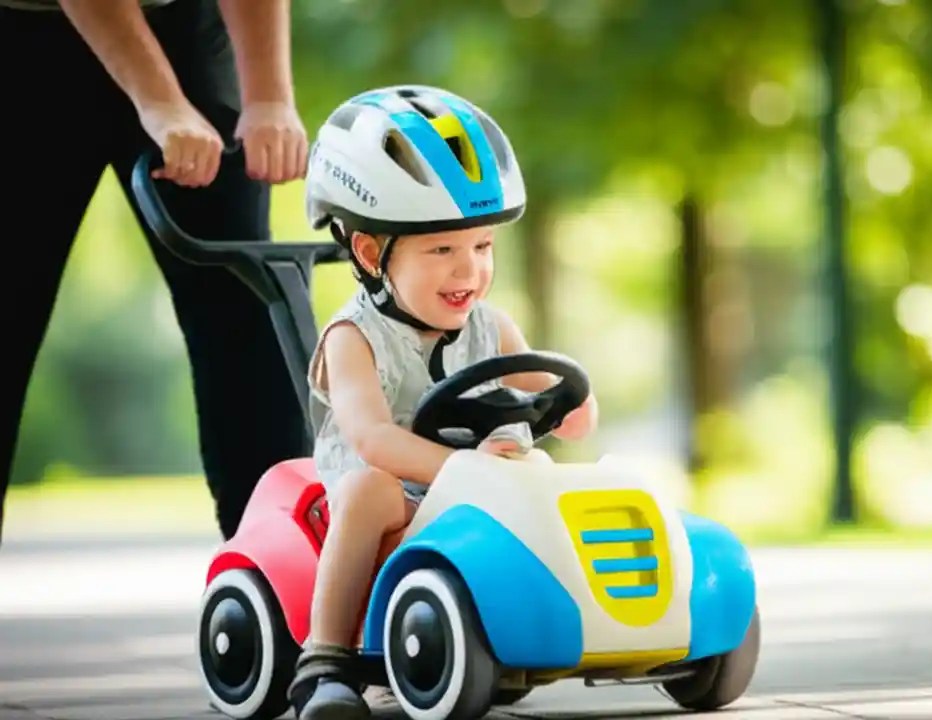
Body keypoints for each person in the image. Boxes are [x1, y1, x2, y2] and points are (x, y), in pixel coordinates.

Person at [286, 85, 598, 719]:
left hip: (473, 487)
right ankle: (324, 662)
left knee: (535, 467)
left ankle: (576, 617)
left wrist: (567, 409)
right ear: (371, 253)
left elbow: (558, 407)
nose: (469, 272)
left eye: (481, 247)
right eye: (441, 251)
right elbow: (372, 437)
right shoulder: (352, 338)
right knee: (370, 487)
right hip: (389, 499)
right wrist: (464, 469)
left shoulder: (493, 326)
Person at [0, 0, 312, 544]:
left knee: (245, 306)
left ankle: (278, 568)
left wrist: (268, 97)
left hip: (185, 23)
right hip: (24, 33)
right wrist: (159, 100)